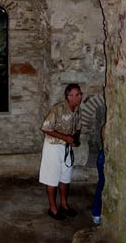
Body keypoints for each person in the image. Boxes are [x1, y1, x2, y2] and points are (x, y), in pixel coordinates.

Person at [39, 84, 82, 220]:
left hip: (66, 147)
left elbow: (78, 127)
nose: (79, 97)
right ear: (68, 96)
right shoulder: (58, 109)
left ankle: (64, 205)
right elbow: (45, 128)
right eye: (76, 95)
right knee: (52, 179)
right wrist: (66, 138)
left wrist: (75, 138)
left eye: (80, 94)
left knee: (65, 177)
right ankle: (53, 209)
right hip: (53, 147)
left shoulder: (77, 109)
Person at [77, 93, 107, 225]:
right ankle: (96, 213)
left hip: (103, 154)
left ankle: (97, 213)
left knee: (102, 184)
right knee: (102, 184)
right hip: (104, 155)